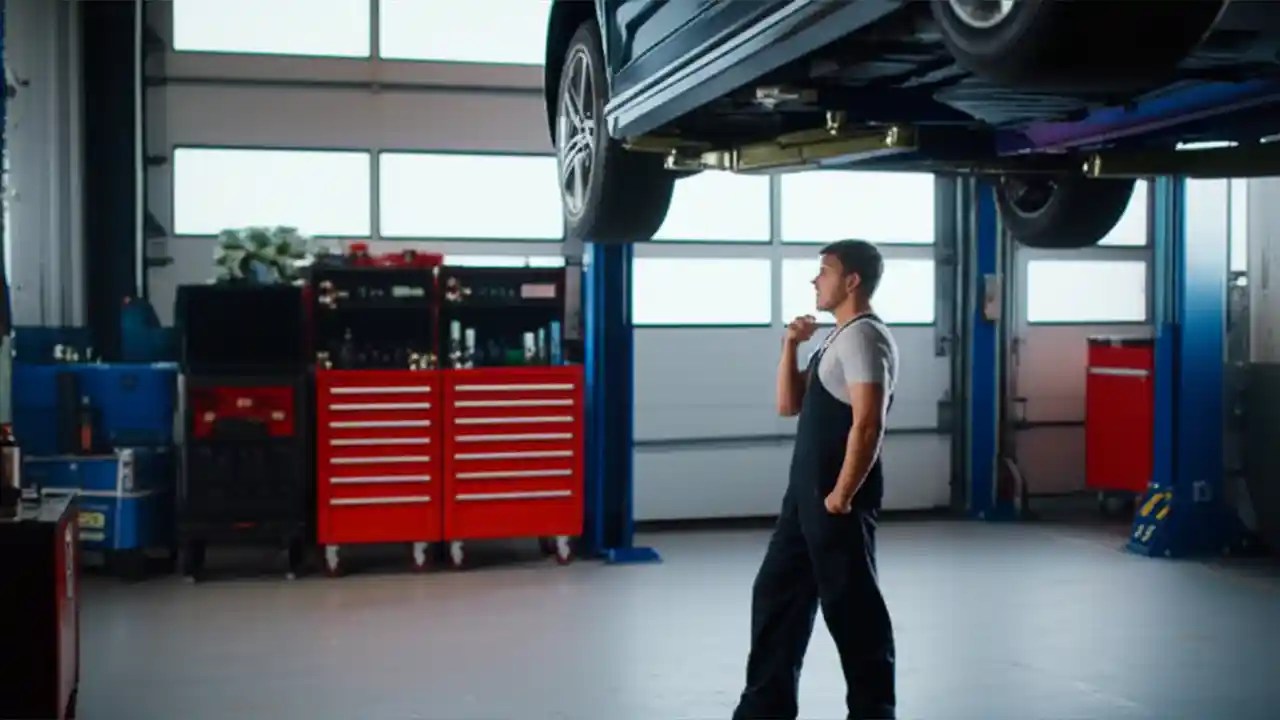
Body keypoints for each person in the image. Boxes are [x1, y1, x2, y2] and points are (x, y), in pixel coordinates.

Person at [732, 239, 900, 720]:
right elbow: (788, 405)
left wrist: (842, 495)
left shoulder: (865, 337)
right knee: (776, 596)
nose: (814, 280)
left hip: (835, 501)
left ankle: (874, 713)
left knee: (853, 612)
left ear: (852, 281)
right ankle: (764, 710)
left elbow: (869, 422)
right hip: (804, 501)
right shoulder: (835, 337)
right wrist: (790, 344)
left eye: (824, 271)